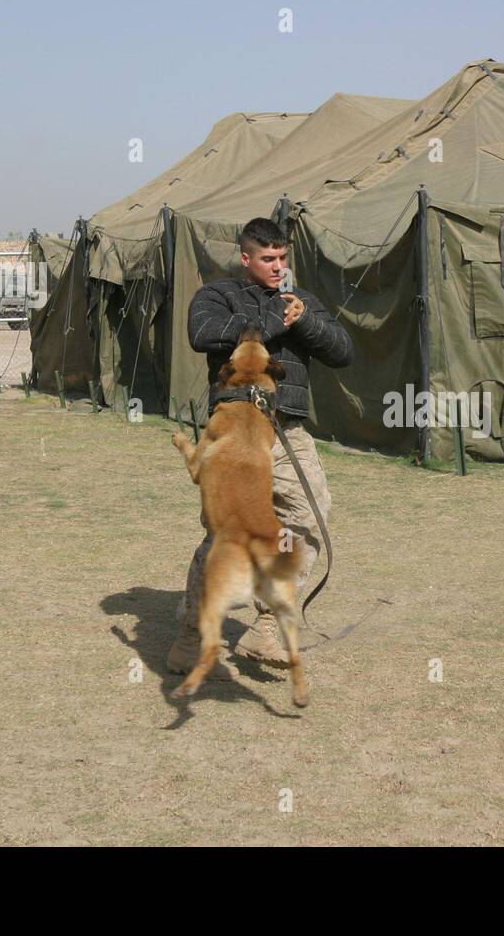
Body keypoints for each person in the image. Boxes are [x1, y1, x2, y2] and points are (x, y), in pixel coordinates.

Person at [167, 217, 353, 672]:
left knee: (306, 520)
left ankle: (266, 627)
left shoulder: (300, 302)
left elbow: (342, 350)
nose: (277, 266)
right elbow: (203, 334)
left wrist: (305, 321)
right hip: (235, 430)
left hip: (287, 431)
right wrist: (273, 318)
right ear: (245, 258)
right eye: (268, 258)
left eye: (283, 258)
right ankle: (193, 630)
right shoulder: (217, 295)